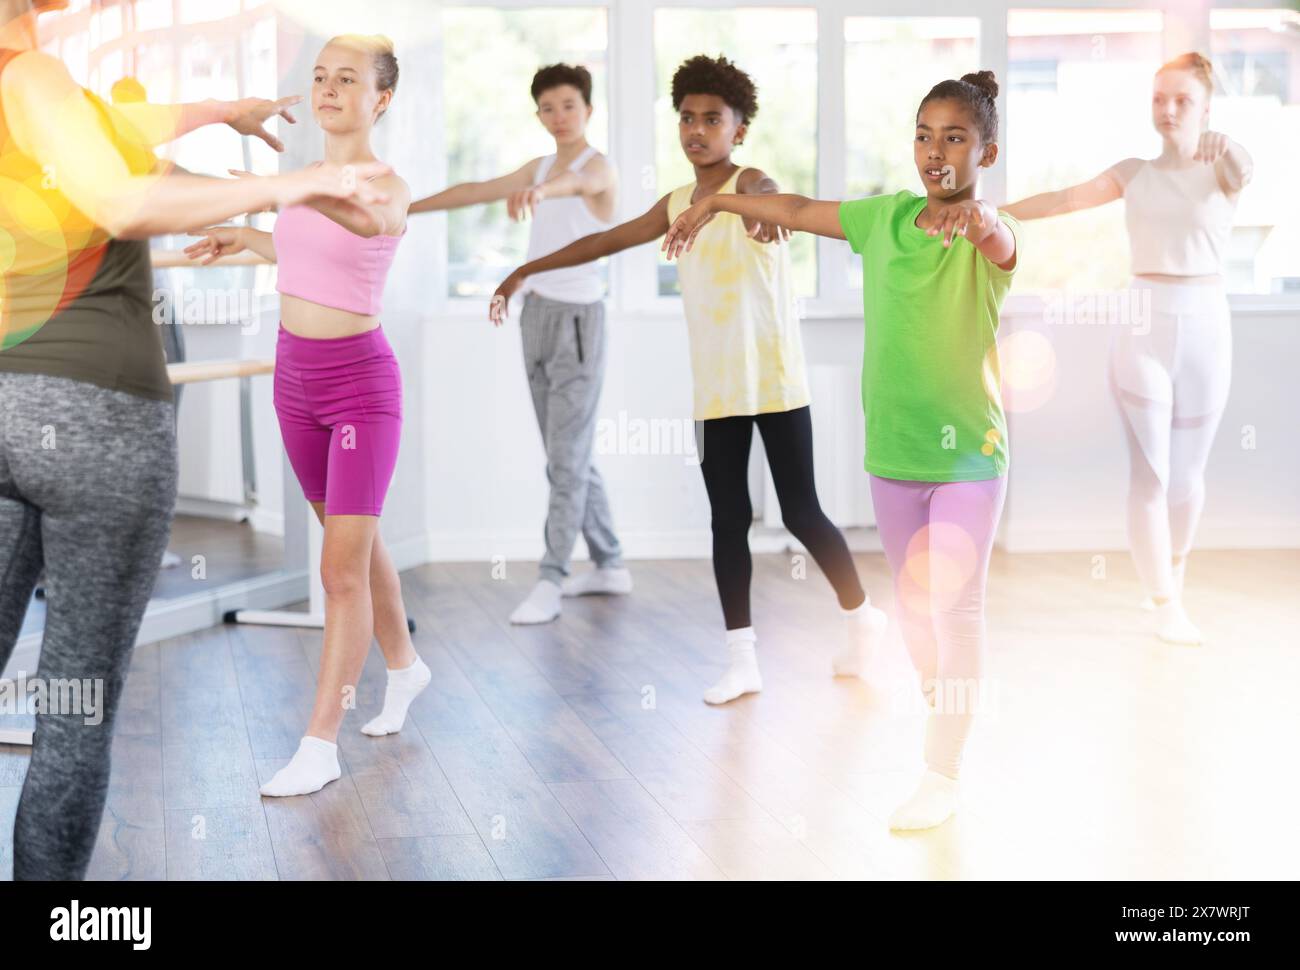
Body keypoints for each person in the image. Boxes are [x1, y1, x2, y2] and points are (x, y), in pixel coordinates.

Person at [0, 0, 383, 878]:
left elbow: (132, 141)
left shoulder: (49, 105)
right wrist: (294, 184)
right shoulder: (33, 76)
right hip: (100, 413)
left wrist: (229, 115)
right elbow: (122, 198)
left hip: (7, 409)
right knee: (74, 707)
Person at [665, 70, 1019, 830]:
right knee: (919, 616)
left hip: (969, 458)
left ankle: (942, 772)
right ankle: (943, 695)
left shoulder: (988, 232)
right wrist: (721, 201)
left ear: (986, 150)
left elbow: (1003, 238)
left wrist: (984, 220)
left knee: (958, 611)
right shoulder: (885, 220)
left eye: (955, 136)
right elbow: (793, 208)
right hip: (894, 456)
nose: (936, 150)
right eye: (925, 135)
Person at [492, 55, 888, 705]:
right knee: (725, 519)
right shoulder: (676, 201)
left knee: (801, 512)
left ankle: (861, 617)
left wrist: (749, 211)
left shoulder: (753, 181)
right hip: (717, 392)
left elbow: (768, 208)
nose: (697, 129)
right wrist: (523, 272)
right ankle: (742, 659)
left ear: (739, 128)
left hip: (778, 383)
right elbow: (603, 242)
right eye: (686, 118)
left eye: (712, 119)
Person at [187, 34, 425, 798]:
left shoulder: (389, 185)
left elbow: (360, 220)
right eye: (320, 77)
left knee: (336, 572)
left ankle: (319, 742)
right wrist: (245, 231)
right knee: (352, 549)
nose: (326, 89)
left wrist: (272, 191)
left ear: (380, 99)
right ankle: (407, 667)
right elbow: (302, 248)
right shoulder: (300, 181)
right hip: (296, 379)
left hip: (360, 388)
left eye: (346, 79)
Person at [1003, 53, 1251, 645]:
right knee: (1152, 473)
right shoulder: (1133, 172)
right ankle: (1164, 601)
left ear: (1207, 107)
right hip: (1144, 325)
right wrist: (989, 211)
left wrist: (1228, 141)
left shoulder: (1224, 167)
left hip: (1207, 326)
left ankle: (1172, 575)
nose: (1168, 109)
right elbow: (1062, 201)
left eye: (1183, 100)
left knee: (1189, 476)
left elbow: (1245, 167)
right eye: (1159, 97)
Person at [409, 63, 629, 625]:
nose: (559, 117)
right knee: (566, 453)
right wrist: (404, 209)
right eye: (549, 108)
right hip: (535, 312)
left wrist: (541, 189)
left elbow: (578, 187)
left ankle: (552, 578)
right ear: (539, 114)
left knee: (566, 456)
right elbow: (475, 190)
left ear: (588, 110)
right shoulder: (538, 164)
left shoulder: (596, 167)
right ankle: (610, 562)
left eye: (569, 106)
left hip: (580, 320)